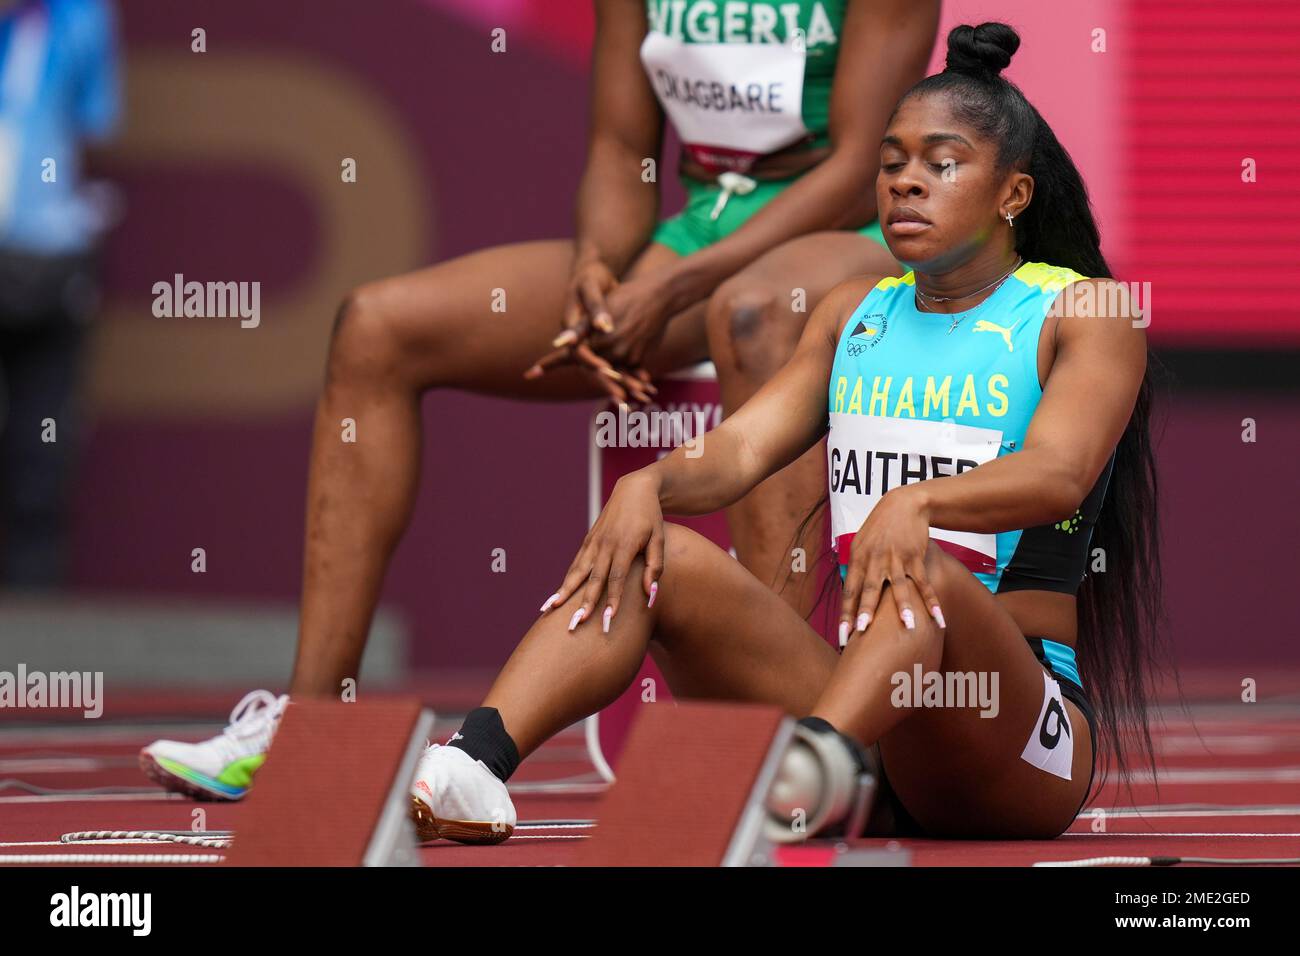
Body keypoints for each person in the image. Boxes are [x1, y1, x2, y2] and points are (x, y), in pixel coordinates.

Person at [140, 0, 940, 800]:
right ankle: (312, 724)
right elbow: (623, 148)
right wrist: (599, 267)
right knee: (375, 329)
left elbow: (855, 167)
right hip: (696, 237)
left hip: (847, 243)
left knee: (755, 313)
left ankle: (790, 734)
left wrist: (678, 284)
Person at [409, 21, 1167, 845]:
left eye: (940, 165)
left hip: (1010, 736)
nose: (906, 185)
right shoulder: (853, 314)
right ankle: (471, 765)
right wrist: (649, 484)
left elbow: (1058, 472)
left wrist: (912, 505)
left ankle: (808, 773)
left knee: (924, 565)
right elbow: (740, 449)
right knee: (660, 550)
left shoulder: (1087, 310)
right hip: (868, 713)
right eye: (890, 165)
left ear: (1012, 194)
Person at [0, 0, 119, 587]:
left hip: (47, 258)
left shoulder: (80, 15)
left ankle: (31, 634)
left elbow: (92, 127)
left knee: (41, 450)